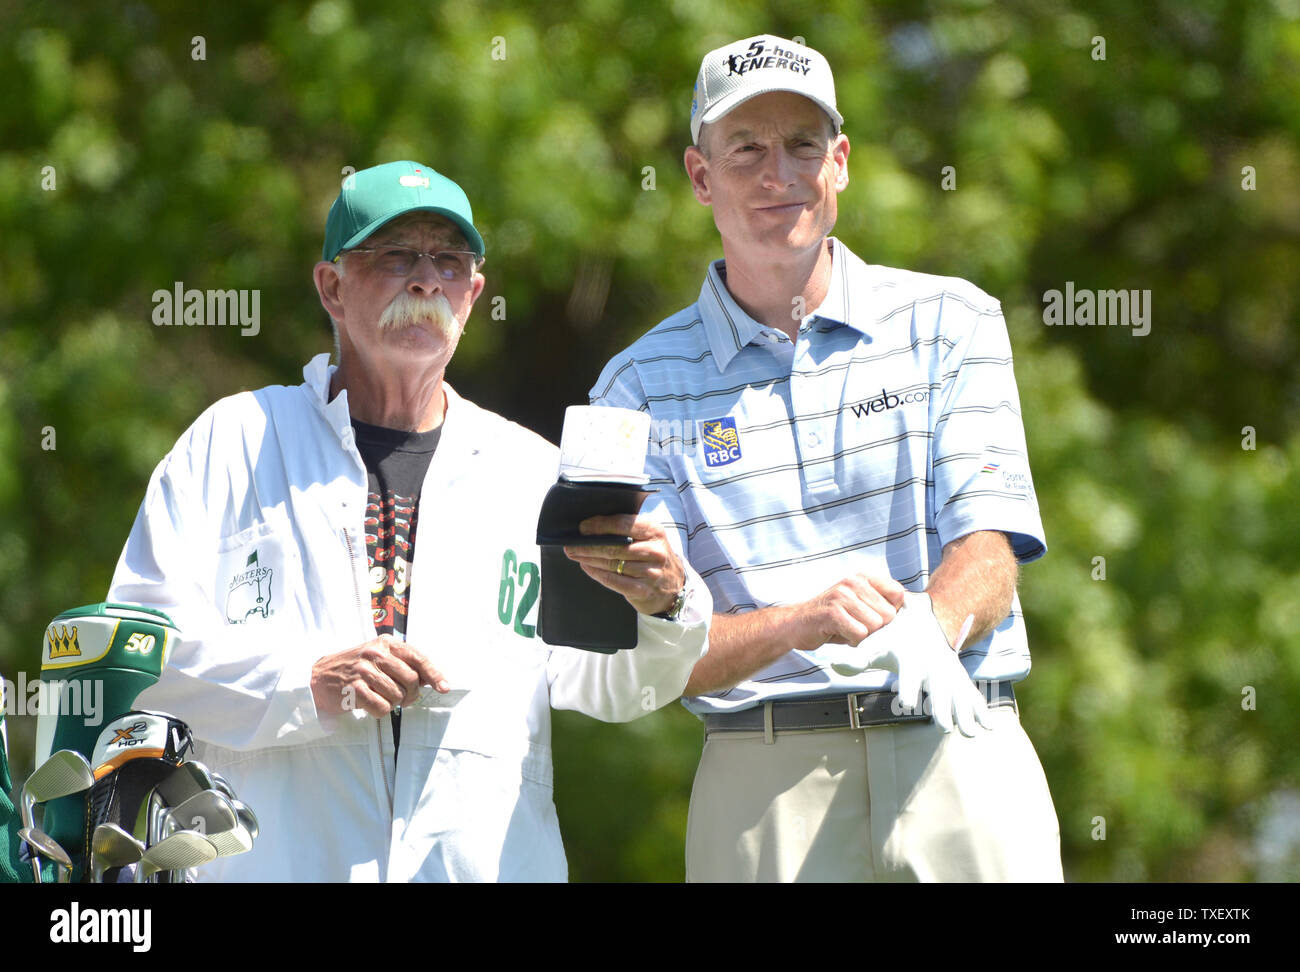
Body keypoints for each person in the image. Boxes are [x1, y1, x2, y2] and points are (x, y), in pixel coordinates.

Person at [107, 160, 711, 882]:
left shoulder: (531, 472)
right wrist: (309, 683)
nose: (427, 280)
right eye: (395, 256)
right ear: (331, 286)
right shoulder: (234, 442)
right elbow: (135, 663)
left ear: (473, 293)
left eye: (450, 261)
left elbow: (612, 688)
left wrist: (664, 605)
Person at [579, 35, 1063, 881]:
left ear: (839, 162)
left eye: (804, 145)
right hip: (761, 782)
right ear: (699, 177)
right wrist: (801, 623)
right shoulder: (633, 388)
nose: (780, 175)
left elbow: (988, 544)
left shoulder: (955, 321)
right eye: (747, 149)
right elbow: (644, 650)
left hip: (960, 749)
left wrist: (930, 627)